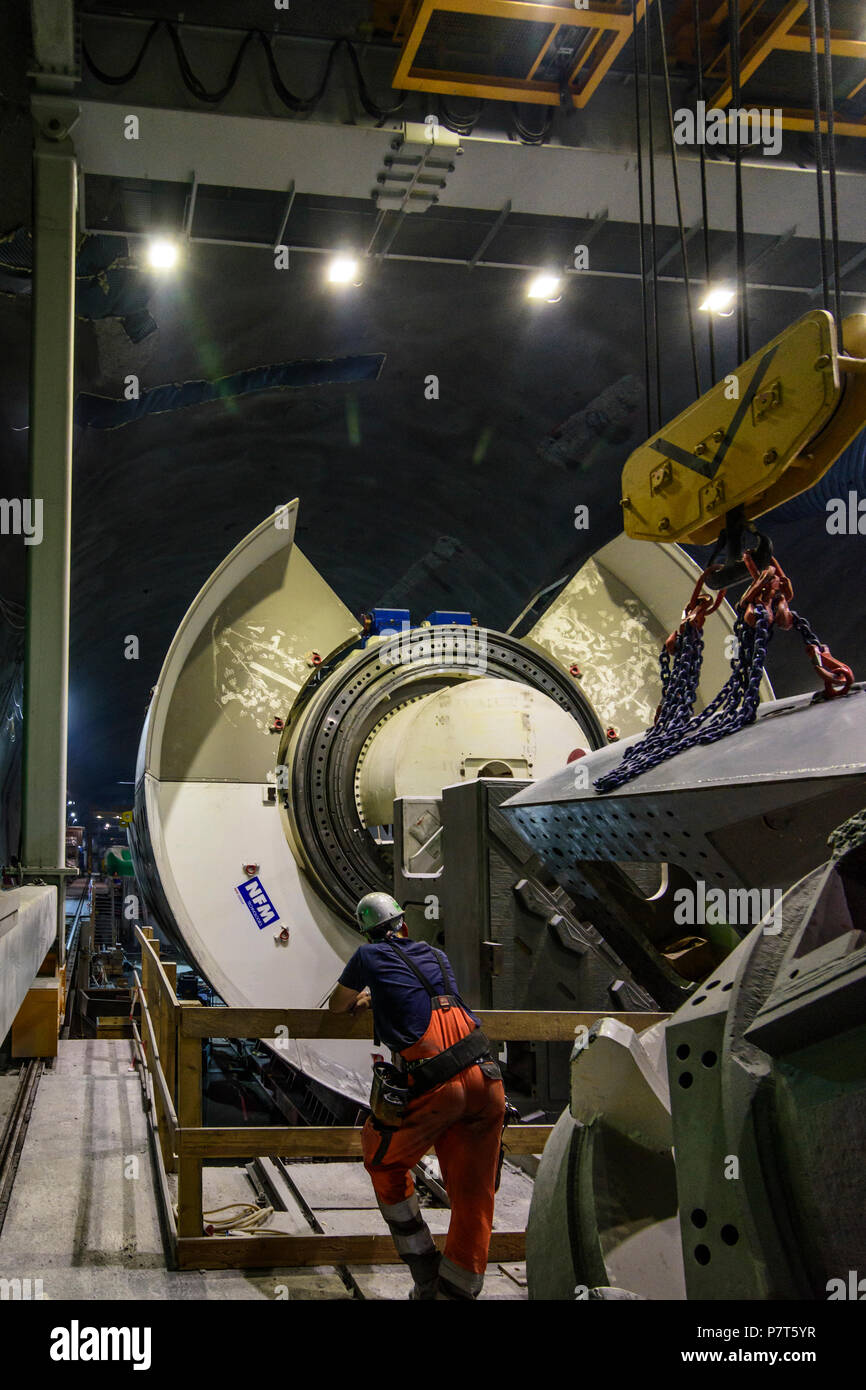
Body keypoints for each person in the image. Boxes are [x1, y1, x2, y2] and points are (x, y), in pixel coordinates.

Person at [329, 891, 506, 1300]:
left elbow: (338, 1006)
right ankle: (454, 1292)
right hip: (486, 1073)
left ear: (367, 933)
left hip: (437, 1084)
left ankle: (424, 1267)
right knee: (473, 1191)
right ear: (402, 926)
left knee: (382, 1160)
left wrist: (364, 996)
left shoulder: (367, 956)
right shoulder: (436, 956)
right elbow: (424, 997)